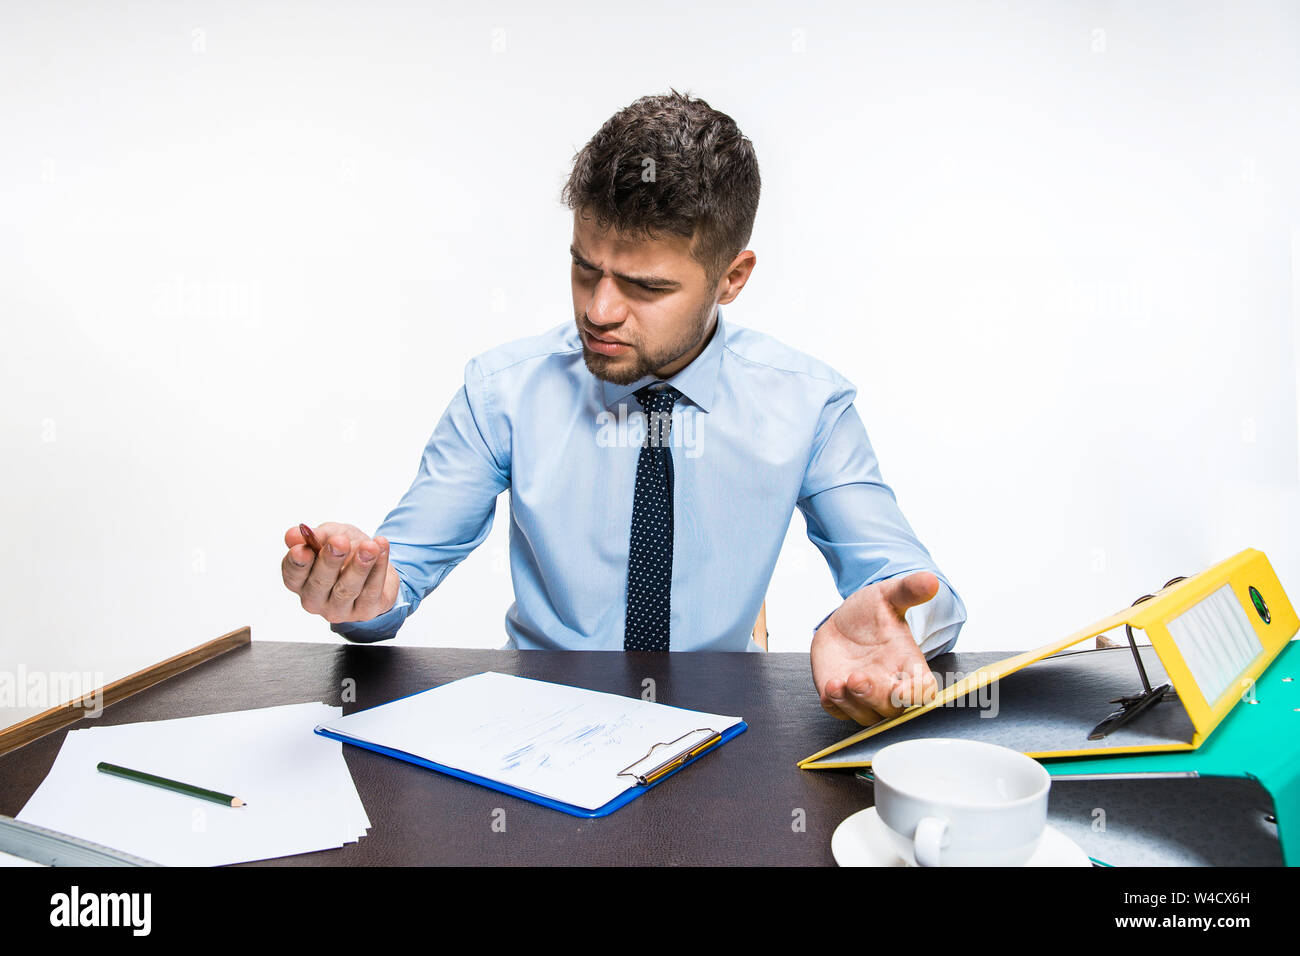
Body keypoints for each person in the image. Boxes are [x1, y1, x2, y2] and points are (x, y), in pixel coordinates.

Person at [281, 89, 966, 726]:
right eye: (586, 267)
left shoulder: (808, 405)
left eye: (644, 285)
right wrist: (360, 594)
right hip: (537, 731)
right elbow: (397, 580)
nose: (598, 310)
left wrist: (896, 626)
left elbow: (913, 587)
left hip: (720, 730)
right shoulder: (502, 394)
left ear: (732, 278)